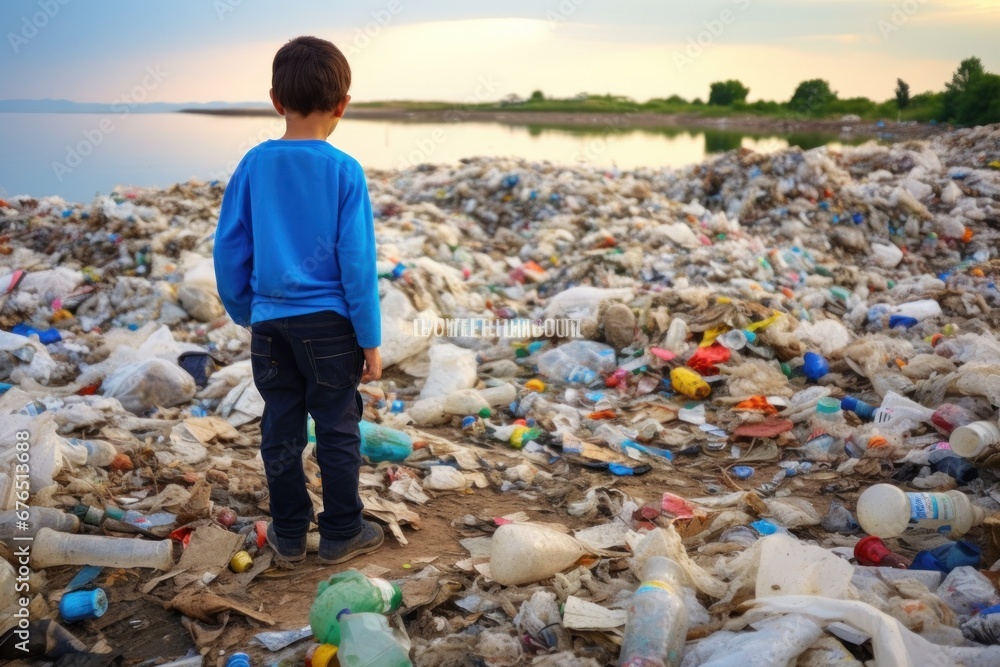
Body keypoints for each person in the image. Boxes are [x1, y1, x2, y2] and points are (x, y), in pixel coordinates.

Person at [213, 36, 383, 565]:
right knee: (336, 425)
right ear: (342, 105)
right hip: (330, 325)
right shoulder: (344, 170)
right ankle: (340, 533)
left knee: (280, 426)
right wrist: (369, 339)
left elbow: (229, 247)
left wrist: (247, 309)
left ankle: (288, 533)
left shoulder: (254, 164)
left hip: (270, 324)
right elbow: (356, 263)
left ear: (274, 99)